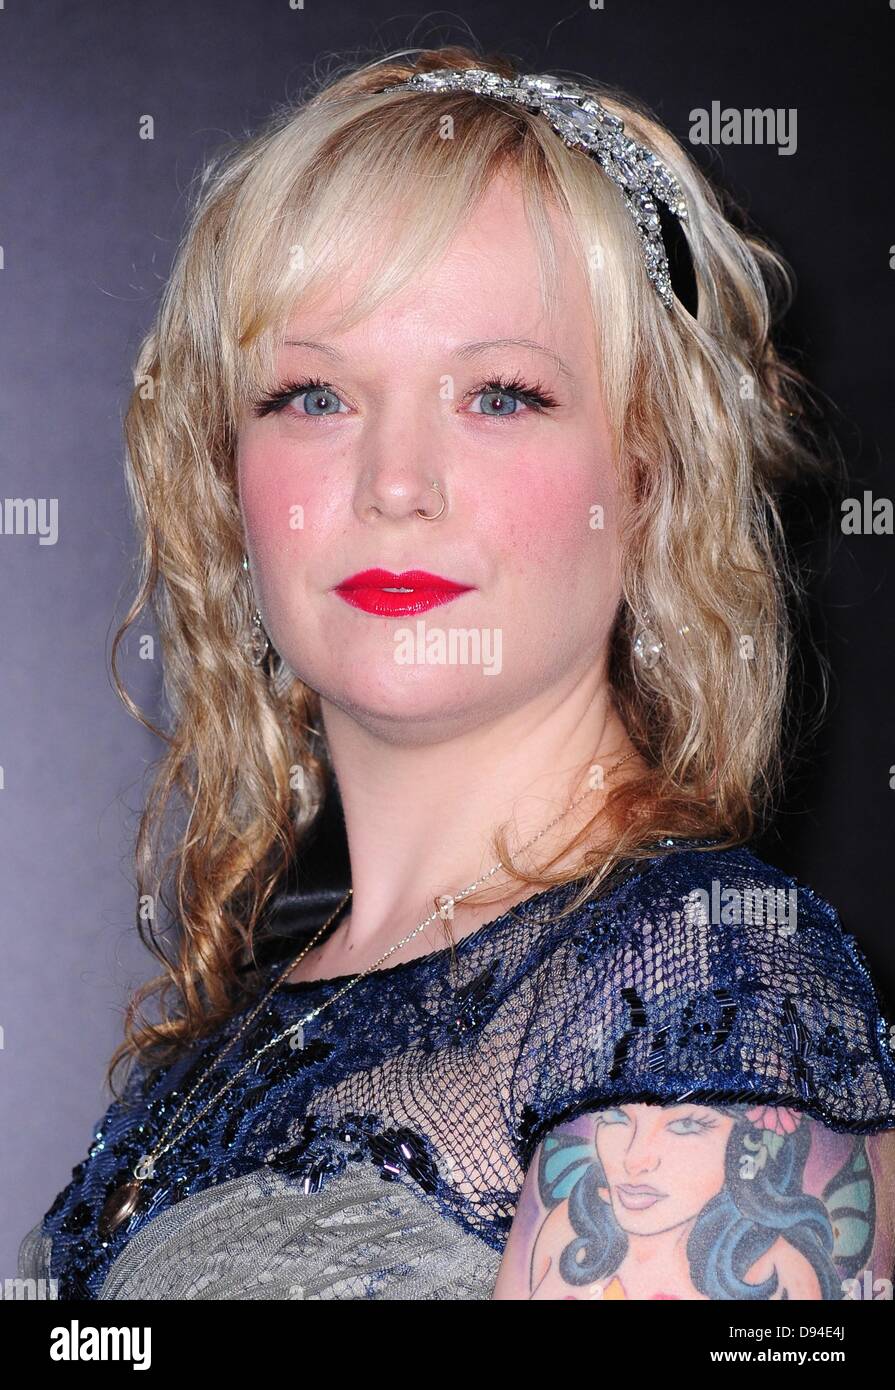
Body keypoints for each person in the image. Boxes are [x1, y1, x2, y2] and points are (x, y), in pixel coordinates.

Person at [18, 45, 895, 1301]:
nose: (394, 483)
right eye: (312, 394)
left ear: (647, 477)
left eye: (499, 394)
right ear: (226, 479)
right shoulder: (215, 1048)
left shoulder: (703, 979)